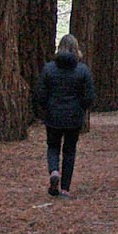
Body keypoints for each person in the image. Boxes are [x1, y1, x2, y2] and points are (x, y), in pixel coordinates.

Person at [35, 33, 96, 197]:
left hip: (53, 116)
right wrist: (80, 109)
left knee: (53, 146)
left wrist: (46, 108)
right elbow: (89, 96)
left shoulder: (49, 68)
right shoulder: (82, 70)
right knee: (69, 151)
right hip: (73, 118)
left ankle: (54, 171)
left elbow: (40, 94)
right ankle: (65, 188)